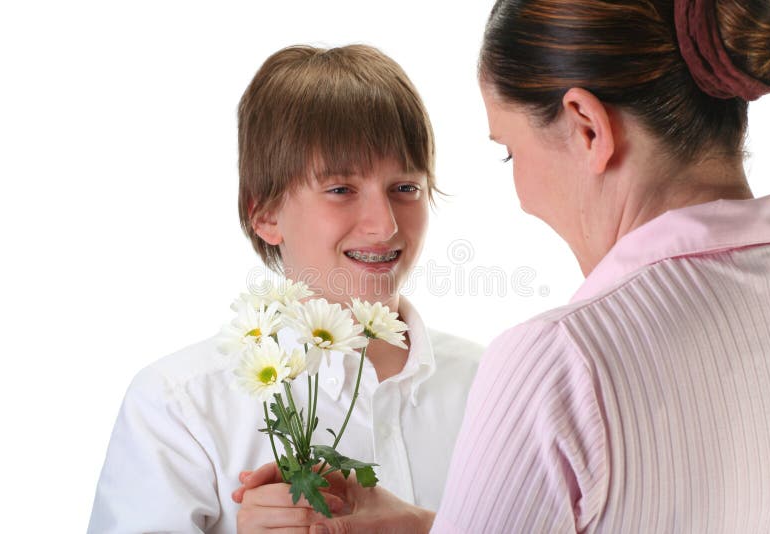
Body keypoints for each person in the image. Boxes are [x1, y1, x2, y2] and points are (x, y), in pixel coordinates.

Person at [235, 0, 770, 532]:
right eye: (341, 189)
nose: (521, 194)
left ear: (587, 127)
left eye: (510, 150)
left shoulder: (561, 361)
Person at [87, 44, 482, 533]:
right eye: (341, 190)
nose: (385, 226)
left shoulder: (493, 384)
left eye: (406, 188)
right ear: (266, 215)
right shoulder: (179, 404)